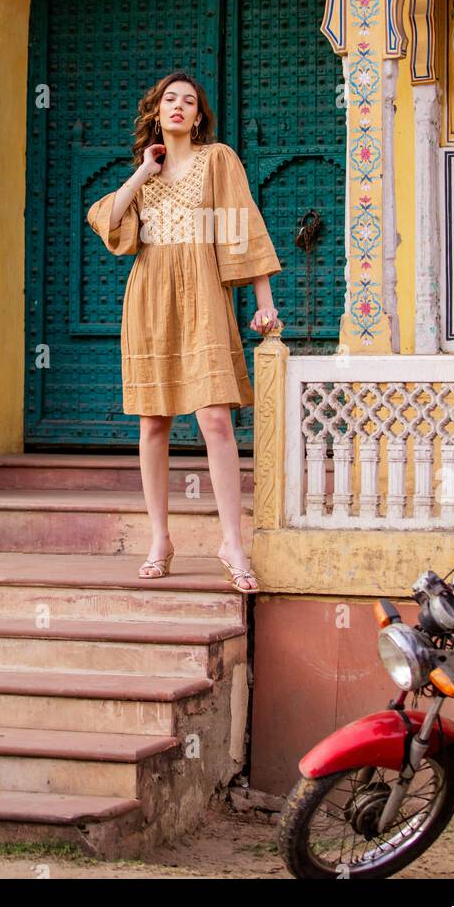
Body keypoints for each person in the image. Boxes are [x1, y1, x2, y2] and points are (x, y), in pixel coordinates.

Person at [86, 70, 282, 592]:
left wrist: (265, 306)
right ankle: (160, 539)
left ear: (199, 116)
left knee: (215, 419)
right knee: (153, 422)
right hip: (149, 299)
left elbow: (243, 226)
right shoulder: (143, 178)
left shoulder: (217, 159)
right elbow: (106, 223)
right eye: (169, 100)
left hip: (202, 297)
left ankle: (231, 542)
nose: (178, 107)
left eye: (188, 101)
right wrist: (141, 173)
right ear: (156, 112)